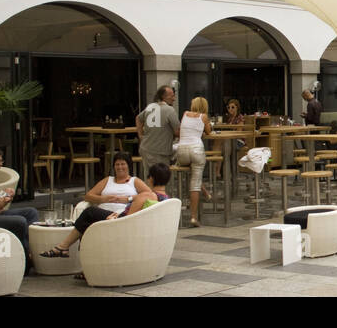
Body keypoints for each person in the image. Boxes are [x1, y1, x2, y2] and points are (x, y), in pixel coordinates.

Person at [40, 163, 170, 263]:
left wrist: (116, 217)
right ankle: (76, 258)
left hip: (122, 226)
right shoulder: (167, 200)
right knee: (90, 218)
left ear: (151, 179)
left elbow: (129, 219)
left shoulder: (146, 196)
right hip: (137, 228)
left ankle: (64, 247)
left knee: (89, 213)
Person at [177, 98, 212, 227]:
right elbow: (209, 131)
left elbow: (183, 130)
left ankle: (206, 192)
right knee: (195, 183)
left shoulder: (185, 114)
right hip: (196, 150)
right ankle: (193, 217)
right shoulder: (204, 117)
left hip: (182, 152)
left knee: (190, 171)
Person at [136, 85, 180, 182]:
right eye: (171, 96)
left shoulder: (150, 107)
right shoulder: (170, 110)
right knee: (160, 181)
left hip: (146, 148)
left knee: (149, 179)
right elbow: (178, 131)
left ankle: (149, 196)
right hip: (159, 151)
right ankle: (158, 197)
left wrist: (140, 135)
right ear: (163, 97)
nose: (174, 99)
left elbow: (138, 118)